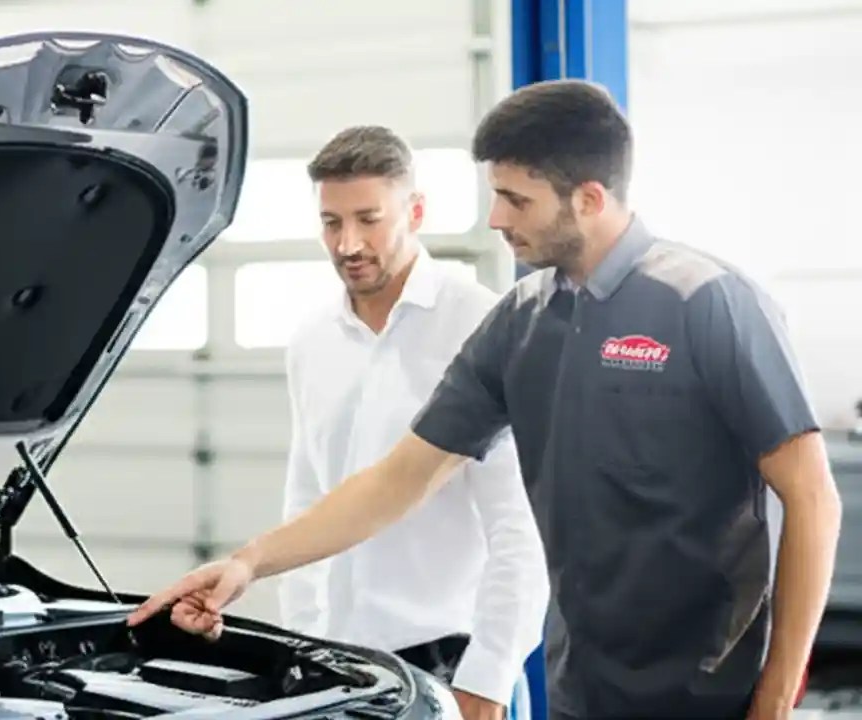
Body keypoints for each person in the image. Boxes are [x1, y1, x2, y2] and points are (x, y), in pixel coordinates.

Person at [128, 79, 842, 720]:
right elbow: (396, 479)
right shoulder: (521, 320)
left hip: (714, 696)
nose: (496, 218)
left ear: (589, 199)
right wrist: (250, 563)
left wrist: (776, 697)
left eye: (516, 198)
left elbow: (812, 497)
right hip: (582, 691)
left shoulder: (709, 301)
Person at [277, 125, 549, 720]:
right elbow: (306, 497)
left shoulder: (482, 325)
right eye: (332, 223)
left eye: (369, 219)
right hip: (341, 671)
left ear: (415, 211)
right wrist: (299, 645)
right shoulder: (310, 341)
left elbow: (519, 524)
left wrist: (490, 675)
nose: (348, 243)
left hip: (458, 668)